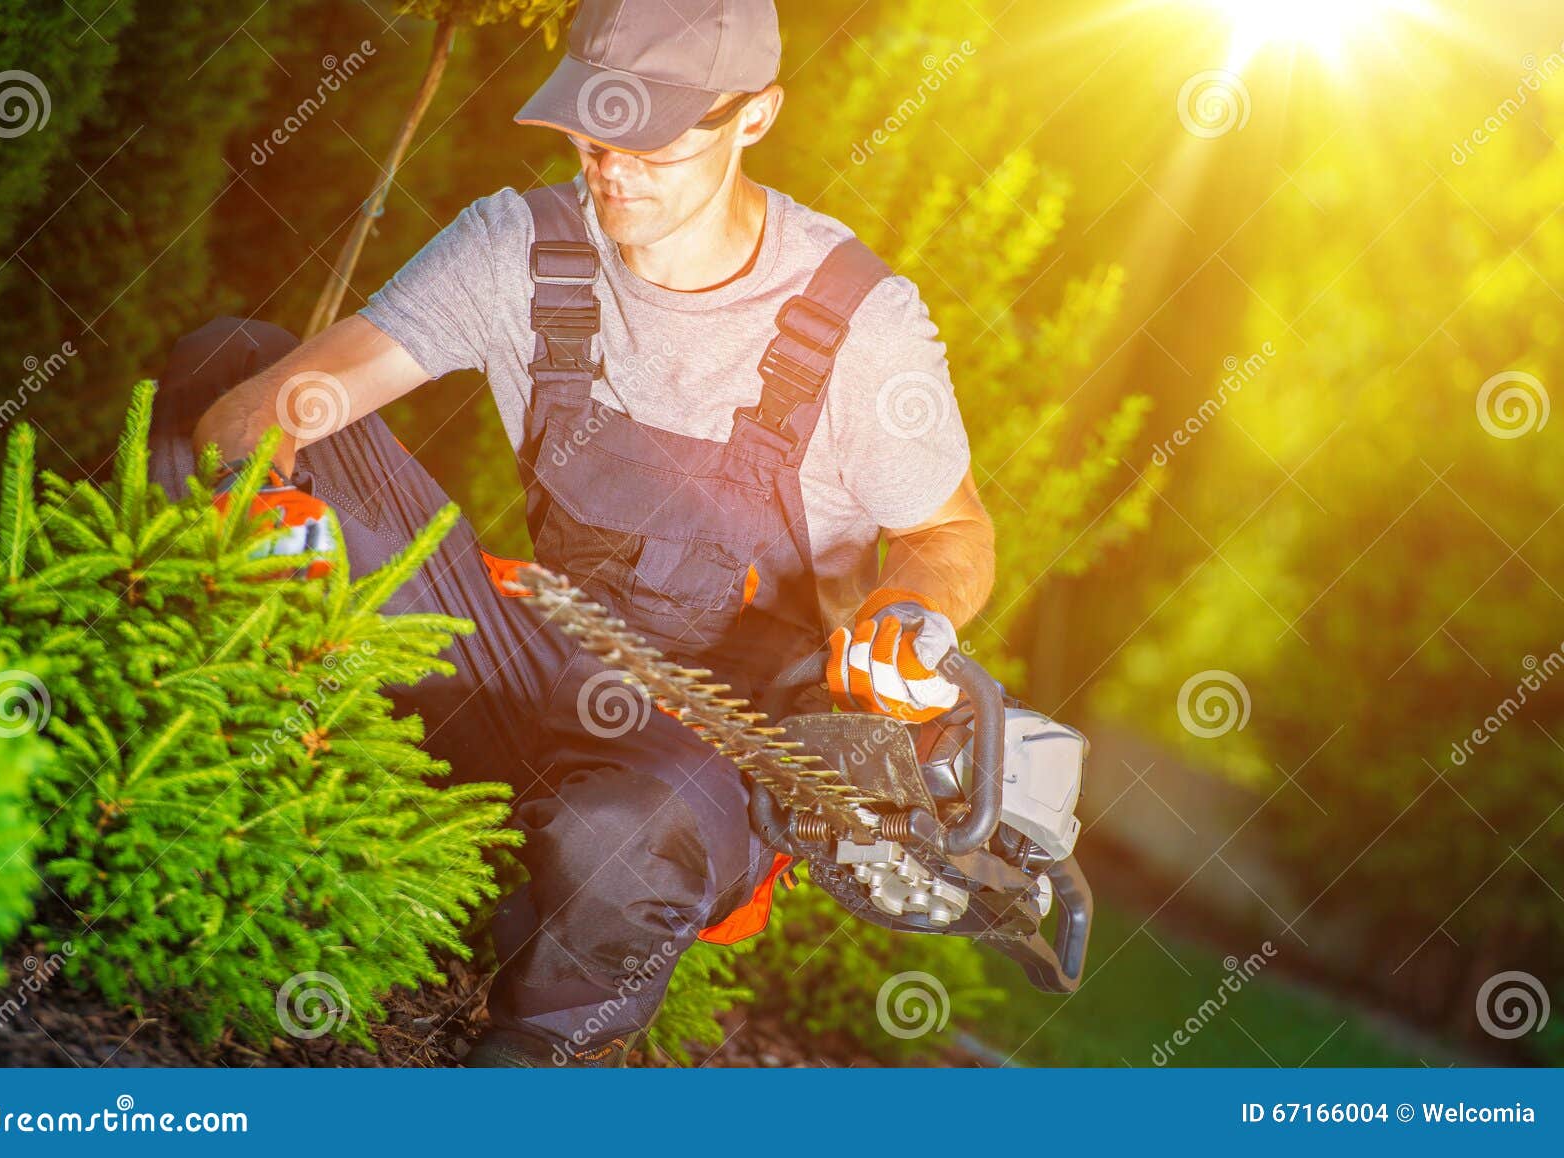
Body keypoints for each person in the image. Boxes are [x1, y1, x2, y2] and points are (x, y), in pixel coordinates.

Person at [170, 0, 995, 1066]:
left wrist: (907, 613)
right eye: (593, 131)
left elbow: (950, 528)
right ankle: (190, 797)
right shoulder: (521, 244)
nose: (613, 167)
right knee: (220, 361)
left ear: (756, 117)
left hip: (713, 741)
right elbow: (277, 399)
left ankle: (532, 1065)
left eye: (654, 137)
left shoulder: (857, 323)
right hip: (533, 649)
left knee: (618, 837)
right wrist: (257, 490)